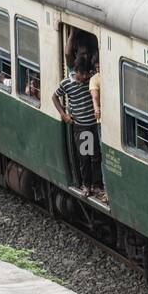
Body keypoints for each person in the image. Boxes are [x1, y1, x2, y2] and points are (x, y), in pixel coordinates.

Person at [53, 60, 103, 201]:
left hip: (94, 124)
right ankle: (87, 185)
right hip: (82, 126)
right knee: (85, 157)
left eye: (88, 74)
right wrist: (64, 115)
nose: (86, 77)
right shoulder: (66, 84)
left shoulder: (90, 79)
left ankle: (97, 185)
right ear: (76, 73)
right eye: (84, 75)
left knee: (96, 156)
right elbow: (55, 97)